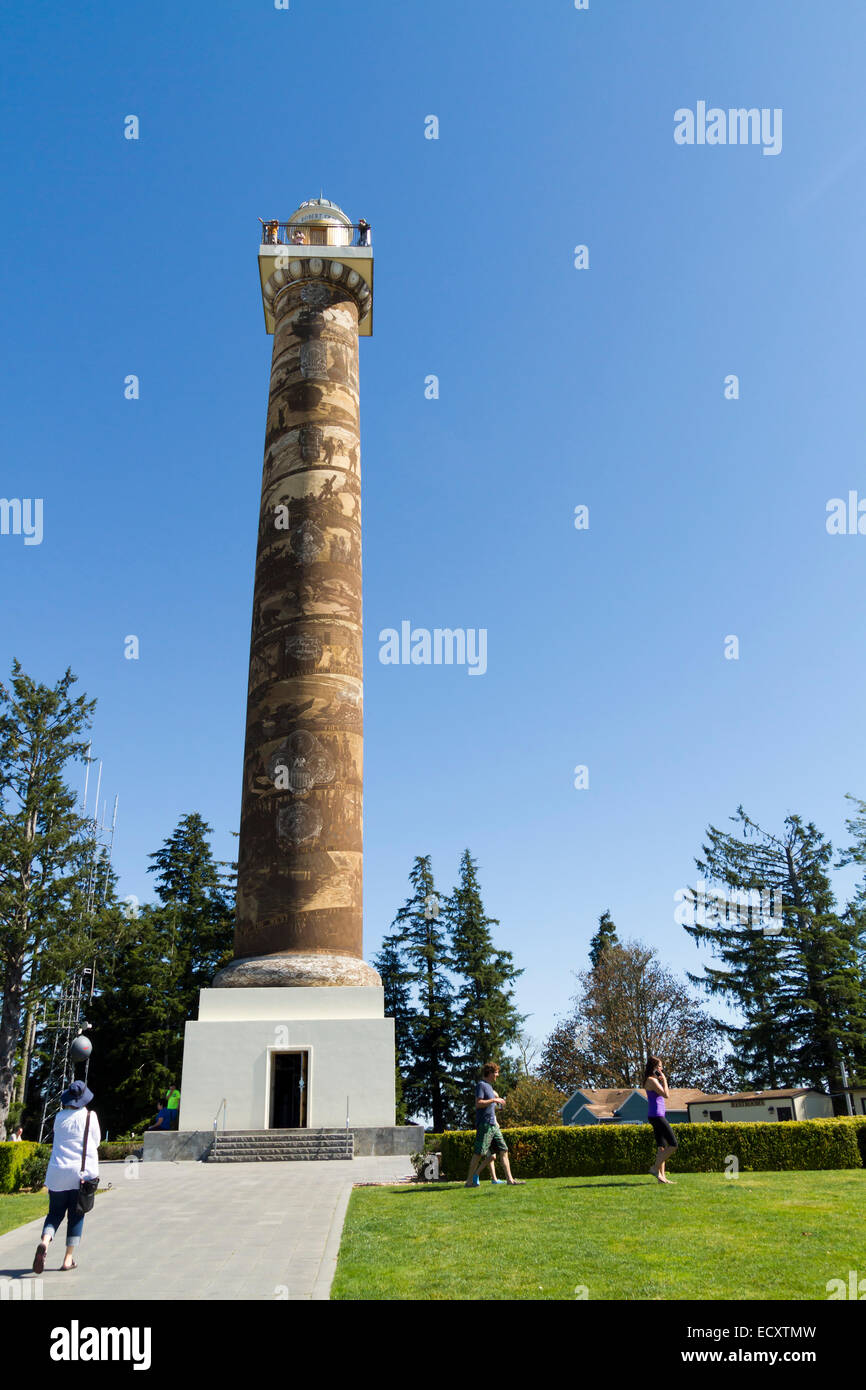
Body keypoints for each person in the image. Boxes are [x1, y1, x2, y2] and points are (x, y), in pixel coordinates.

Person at [33, 1080, 100, 1273]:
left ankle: (45, 1242)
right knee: (76, 1215)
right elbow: (95, 1143)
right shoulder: (90, 1116)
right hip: (81, 1173)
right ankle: (68, 1259)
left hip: (56, 1172)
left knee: (54, 1213)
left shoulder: (59, 1117)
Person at [464, 1063, 525, 1187]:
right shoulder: (481, 1085)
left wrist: (497, 1106)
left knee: (504, 1150)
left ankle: (510, 1180)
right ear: (490, 1073)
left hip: (493, 1125)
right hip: (485, 1125)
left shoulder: (490, 1088)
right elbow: (478, 1103)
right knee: (479, 1153)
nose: (497, 1075)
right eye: (496, 1072)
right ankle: (469, 1182)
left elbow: (489, 1105)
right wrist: (493, 1100)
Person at [644, 1056, 677, 1184]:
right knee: (674, 1144)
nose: (661, 1069)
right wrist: (665, 1080)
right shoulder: (652, 1080)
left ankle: (661, 1178)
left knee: (661, 1147)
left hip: (656, 1115)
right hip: (657, 1116)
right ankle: (655, 1168)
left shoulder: (652, 1080)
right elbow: (666, 1094)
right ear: (654, 1068)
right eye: (659, 1066)